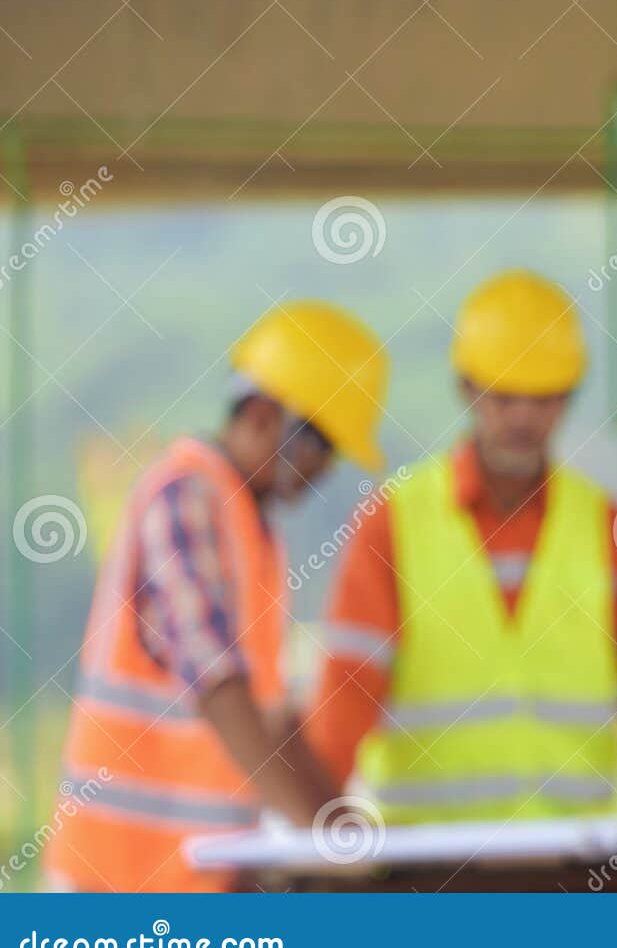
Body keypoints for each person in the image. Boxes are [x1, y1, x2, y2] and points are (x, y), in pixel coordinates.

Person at [304, 270, 617, 823]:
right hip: (431, 882)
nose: (524, 418)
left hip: (572, 879)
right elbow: (346, 696)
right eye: (505, 398)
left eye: (544, 400)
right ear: (466, 389)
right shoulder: (391, 522)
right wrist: (306, 826)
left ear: (570, 397)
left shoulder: (612, 530)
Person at [46, 301, 390, 892]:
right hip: (118, 884)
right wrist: (322, 837)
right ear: (261, 415)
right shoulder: (186, 496)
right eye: (321, 445)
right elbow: (218, 683)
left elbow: (274, 722)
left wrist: (341, 829)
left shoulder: (255, 534)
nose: (323, 470)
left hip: (195, 882)